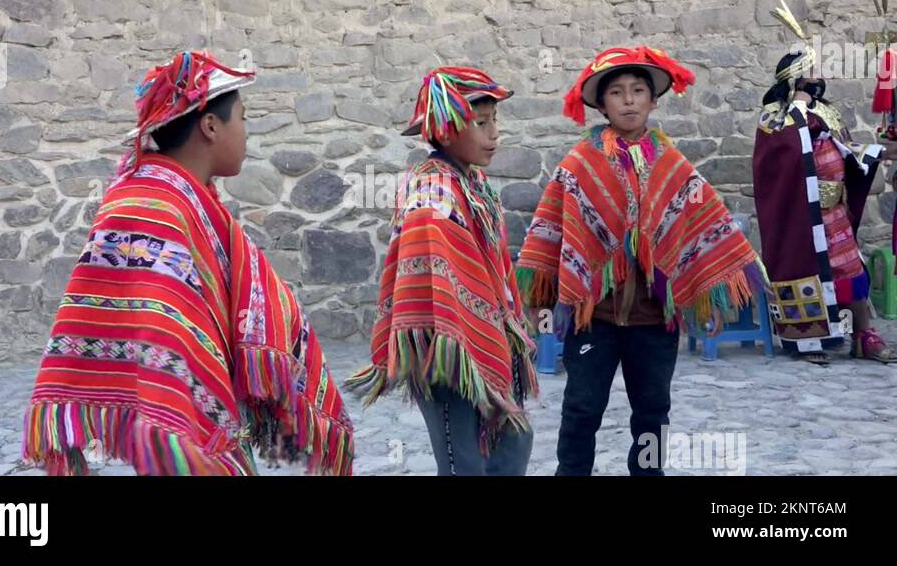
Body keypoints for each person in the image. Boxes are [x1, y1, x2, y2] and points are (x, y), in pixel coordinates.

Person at [22, 50, 354, 475]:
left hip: (196, 414)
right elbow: (161, 328)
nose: (248, 133)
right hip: (177, 424)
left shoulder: (190, 199)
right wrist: (181, 397)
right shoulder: (152, 204)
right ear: (211, 126)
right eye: (244, 118)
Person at [518, 46, 767, 475]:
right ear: (601, 104)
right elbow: (551, 235)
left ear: (654, 101)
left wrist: (709, 298)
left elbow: (704, 227)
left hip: (654, 319)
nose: (629, 99)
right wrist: (541, 302)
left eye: (638, 90)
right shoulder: (579, 166)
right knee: (581, 410)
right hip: (593, 318)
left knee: (653, 416)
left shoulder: (673, 166)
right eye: (617, 92)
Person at [346, 66, 538, 476]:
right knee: (463, 463)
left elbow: (493, 270)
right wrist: (472, 357)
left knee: (513, 447)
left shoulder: (476, 185)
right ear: (447, 130)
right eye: (481, 123)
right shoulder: (430, 191)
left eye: (495, 121)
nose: (494, 134)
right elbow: (428, 285)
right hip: (447, 356)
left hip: (490, 341)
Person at [755, 39, 894, 365]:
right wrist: (799, 105)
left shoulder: (826, 111)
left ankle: (863, 335)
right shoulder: (775, 115)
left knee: (851, 269)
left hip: (834, 211)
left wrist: (873, 152)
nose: (818, 78)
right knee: (805, 270)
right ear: (794, 78)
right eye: (811, 72)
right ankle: (807, 341)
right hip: (800, 214)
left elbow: (844, 147)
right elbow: (783, 149)